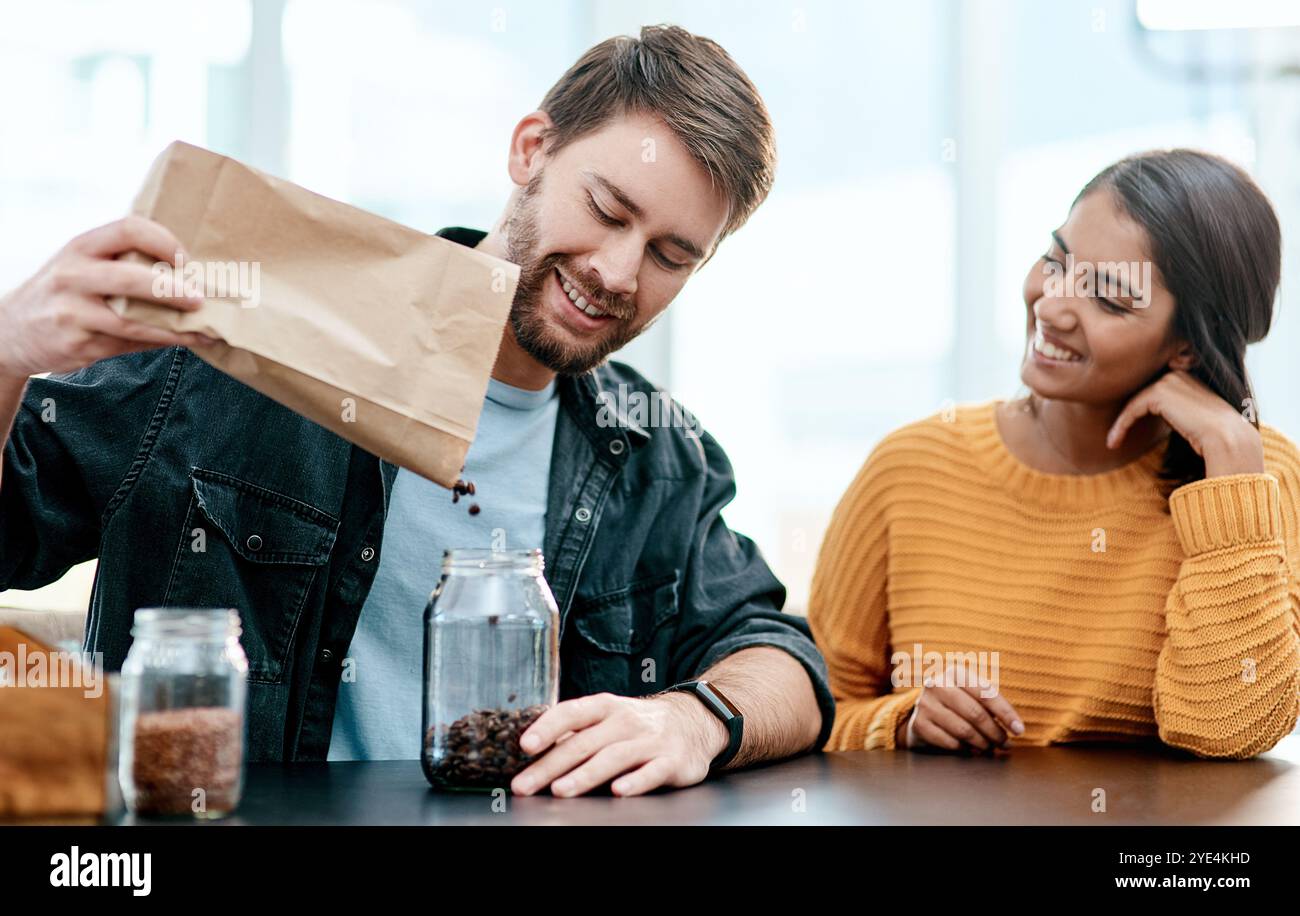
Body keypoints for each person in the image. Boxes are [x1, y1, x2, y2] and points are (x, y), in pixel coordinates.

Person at [0, 25, 833, 796]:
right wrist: (10, 352)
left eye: (669, 255)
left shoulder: (656, 456)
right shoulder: (242, 346)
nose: (619, 272)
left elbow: (783, 657)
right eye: (608, 210)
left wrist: (693, 719)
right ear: (532, 149)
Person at [809, 149, 1299, 759]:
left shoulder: (1256, 477)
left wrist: (1229, 465)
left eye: (1111, 300)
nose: (1050, 305)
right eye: (1055, 261)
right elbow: (813, 714)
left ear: (1188, 348)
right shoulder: (910, 467)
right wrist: (902, 723)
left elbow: (1230, 733)